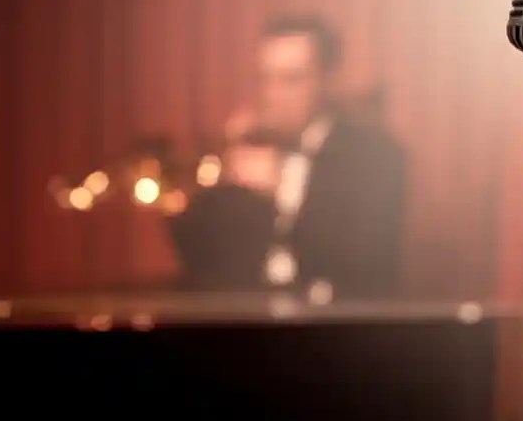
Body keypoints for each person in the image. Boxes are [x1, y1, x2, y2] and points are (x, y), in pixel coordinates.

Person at [168, 15, 407, 298]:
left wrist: (278, 192)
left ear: (328, 81)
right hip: (246, 320)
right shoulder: (246, 148)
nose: (273, 94)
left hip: (332, 325)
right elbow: (199, 261)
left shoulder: (375, 157)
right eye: (265, 79)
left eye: (291, 80)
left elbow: (360, 263)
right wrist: (222, 186)